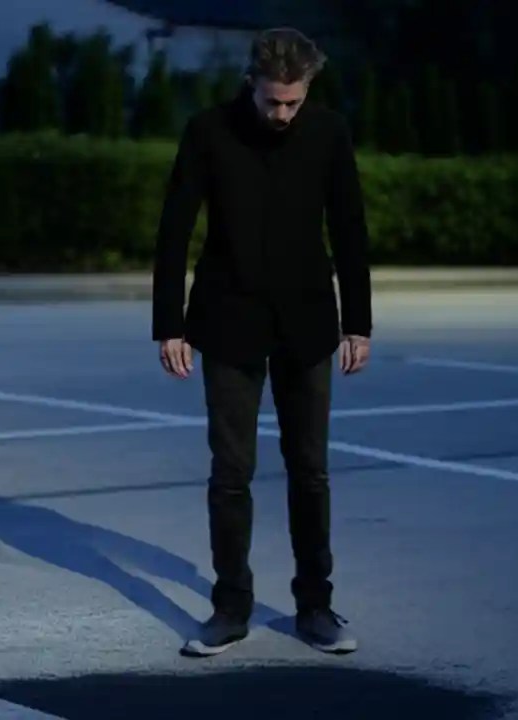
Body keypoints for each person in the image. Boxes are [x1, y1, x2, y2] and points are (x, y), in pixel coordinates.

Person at [151, 27, 373, 657]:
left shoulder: (328, 132)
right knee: (231, 473)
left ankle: (316, 606)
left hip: (307, 321)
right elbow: (174, 230)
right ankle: (229, 608)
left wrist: (359, 320)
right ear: (252, 82)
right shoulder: (207, 131)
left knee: (310, 471)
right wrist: (169, 323)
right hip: (227, 319)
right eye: (273, 101)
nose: (282, 114)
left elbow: (350, 229)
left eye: (292, 103)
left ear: (307, 91)